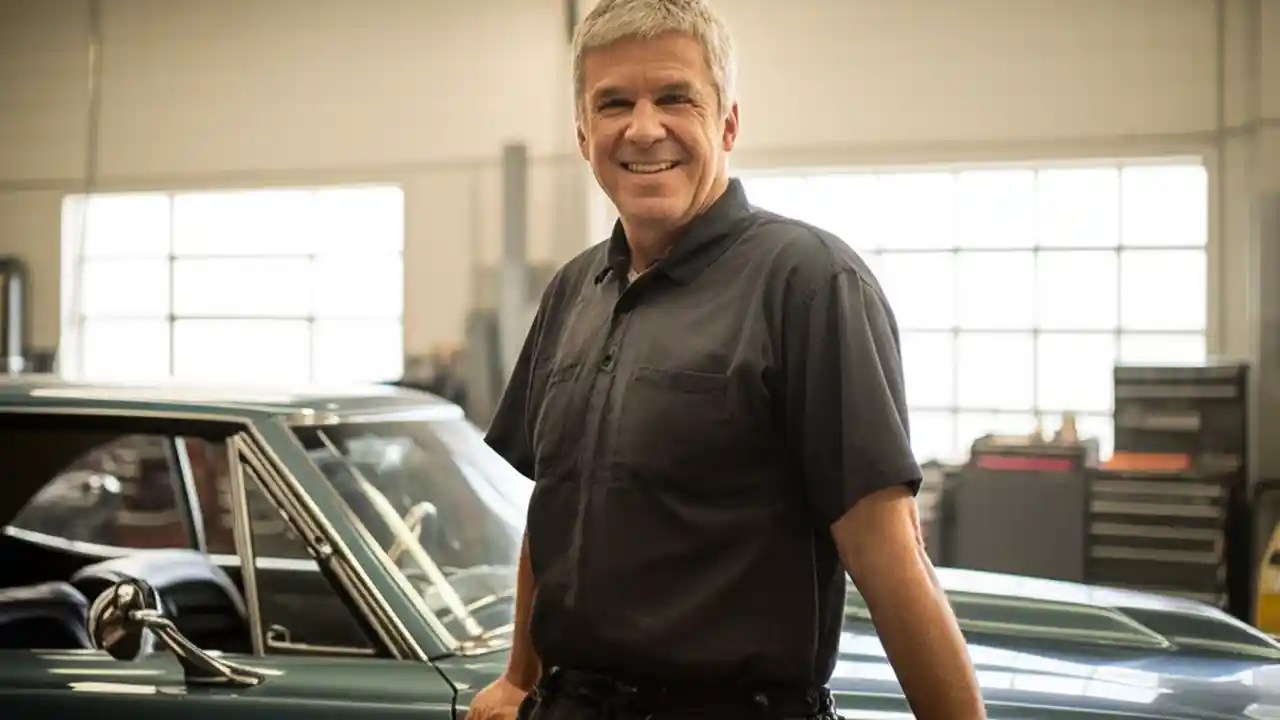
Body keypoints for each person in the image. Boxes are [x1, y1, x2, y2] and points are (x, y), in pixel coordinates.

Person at [469, 0, 986, 718]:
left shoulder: (808, 283)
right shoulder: (572, 292)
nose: (643, 128)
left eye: (674, 97)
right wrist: (519, 678)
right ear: (584, 134)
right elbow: (553, 507)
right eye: (613, 103)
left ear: (728, 123)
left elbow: (889, 554)